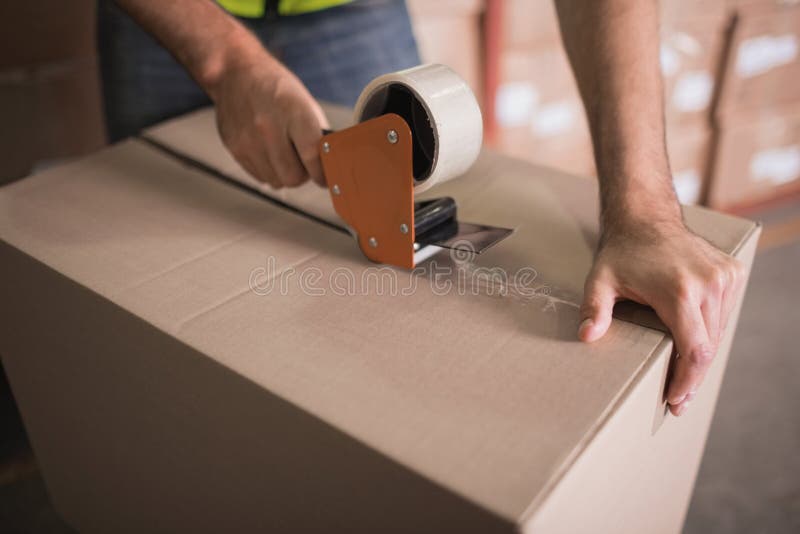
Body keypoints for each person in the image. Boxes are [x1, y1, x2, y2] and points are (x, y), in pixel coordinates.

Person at [100, 0, 744, 417]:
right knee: (166, 325)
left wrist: (643, 214)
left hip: (348, 10)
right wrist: (223, 60)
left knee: (377, 368)